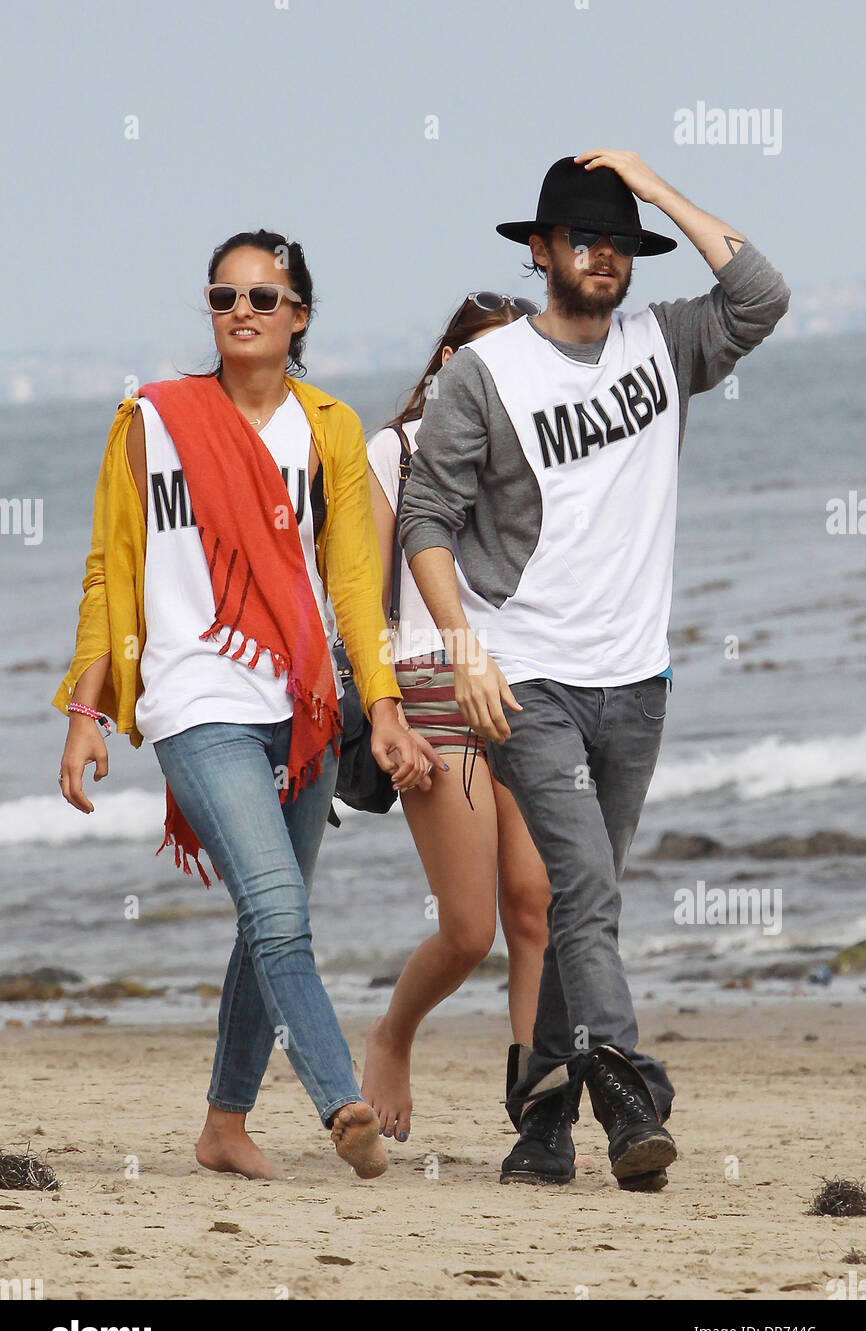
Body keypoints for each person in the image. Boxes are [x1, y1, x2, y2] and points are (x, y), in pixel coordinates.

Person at [398, 150, 790, 1190]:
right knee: (582, 888)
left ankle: (537, 1124)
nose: (602, 254)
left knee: (584, 899)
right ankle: (622, 1086)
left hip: (636, 680)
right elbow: (424, 519)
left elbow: (760, 291)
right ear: (540, 252)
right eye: (582, 237)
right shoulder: (487, 374)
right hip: (523, 677)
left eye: (619, 240)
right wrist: (462, 648)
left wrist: (658, 188)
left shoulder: (662, 346)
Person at [53, 229, 444, 1182]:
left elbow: (352, 581)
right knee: (277, 908)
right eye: (224, 297)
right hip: (195, 695)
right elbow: (111, 568)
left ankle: (223, 1127)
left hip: (304, 703)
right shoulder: (150, 422)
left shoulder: (328, 430)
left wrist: (382, 707)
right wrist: (86, 711)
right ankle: (338, 1100)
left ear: (299, 316)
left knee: (269, 923)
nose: (241, 313)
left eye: (263, 299)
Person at [362, 294, 552, 1149]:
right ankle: (392, 1034)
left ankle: (541, 1112)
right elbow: (361, 606)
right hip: (433, 692)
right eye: (479, 358)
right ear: (445, 363)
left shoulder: (534, 458)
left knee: (536, 906)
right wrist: (386, 716)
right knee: (471, 928)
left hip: (527, 693)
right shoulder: (392, 454)